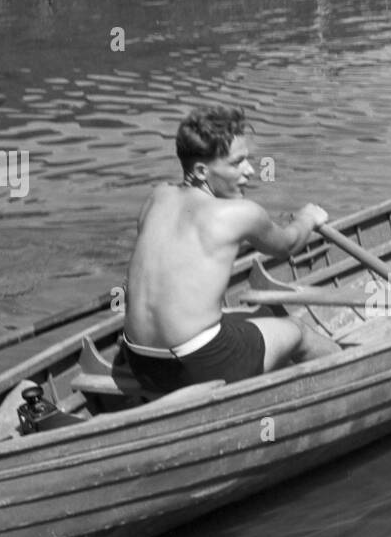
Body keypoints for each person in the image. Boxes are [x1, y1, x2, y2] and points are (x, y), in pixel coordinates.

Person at [122, 106, 337, 393]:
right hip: (199, 364)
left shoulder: (156, 197)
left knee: (250, 318)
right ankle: (357, 374)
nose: (250, 171)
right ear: (201, 170)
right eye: (237, 163)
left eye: (248, 160)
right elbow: (287, 245)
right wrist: (307, 218)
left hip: (140, 362)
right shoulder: (240, 213)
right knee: (297, 331)